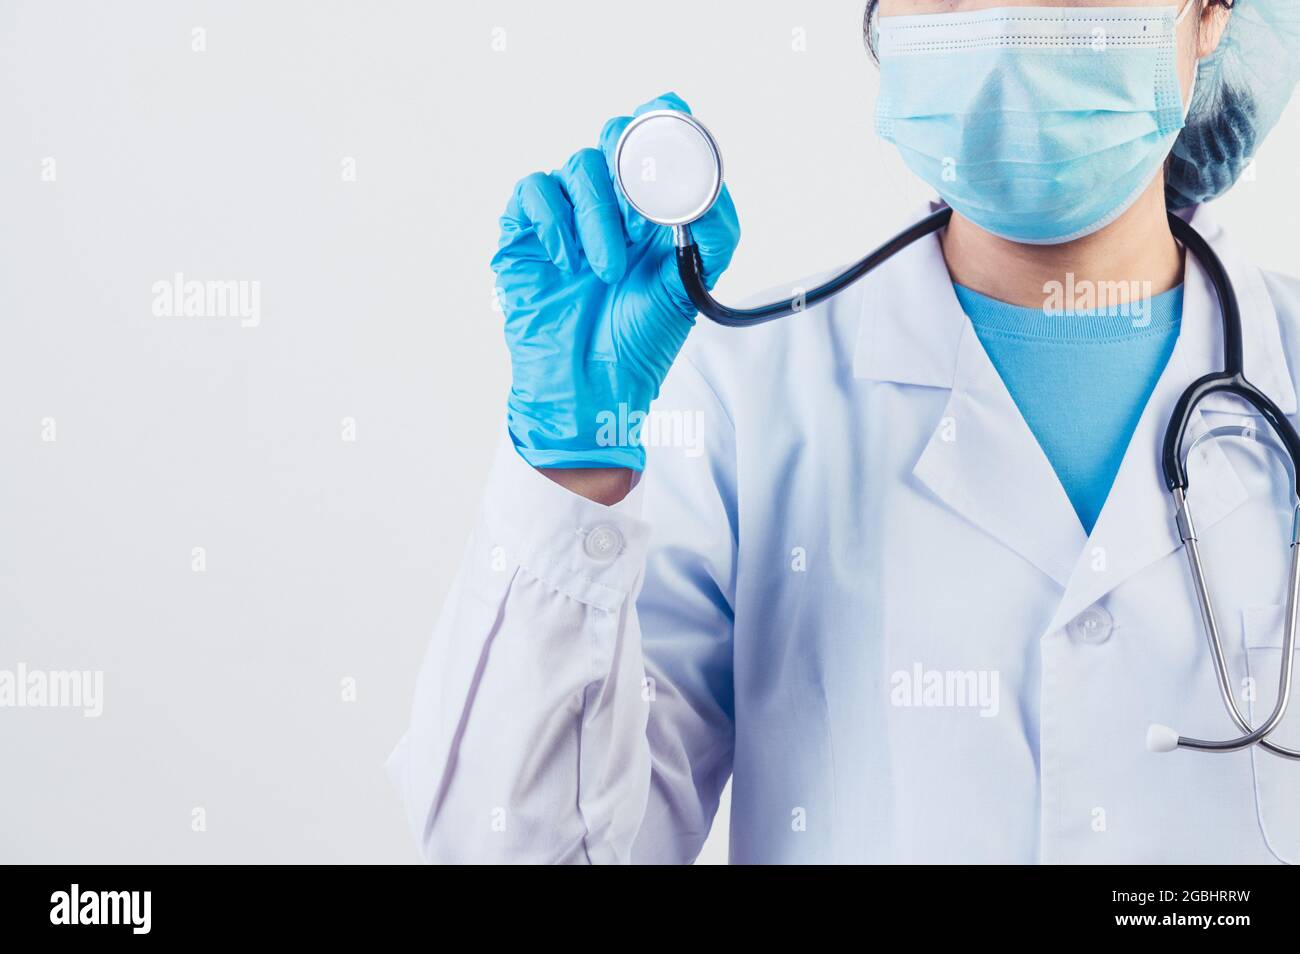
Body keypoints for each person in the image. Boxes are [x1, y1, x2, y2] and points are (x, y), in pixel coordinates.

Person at [389, 0, 1300, 863]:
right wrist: (571, 475)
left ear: (1214, 9)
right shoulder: (748, 398)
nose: (1010, 19)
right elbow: (528, 849)